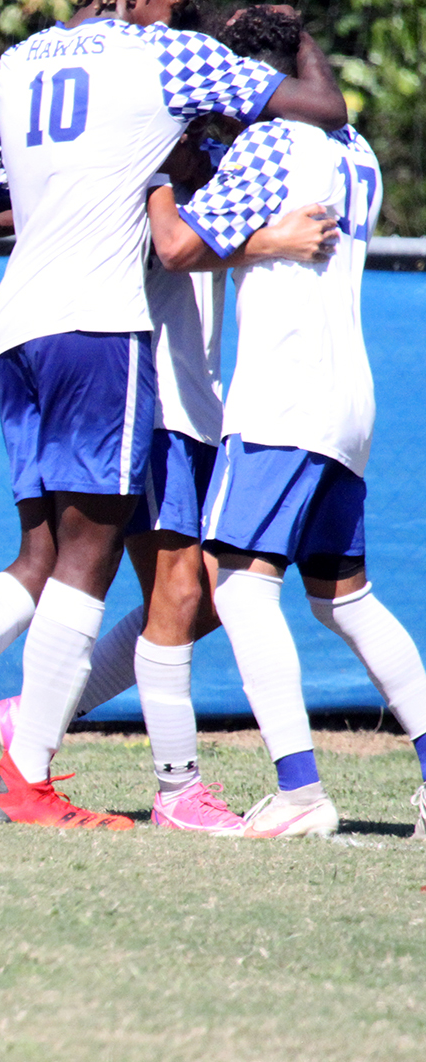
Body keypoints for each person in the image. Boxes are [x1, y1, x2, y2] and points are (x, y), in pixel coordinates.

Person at [0, 0, 347, 828]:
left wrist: (73, 204)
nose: (183, 9)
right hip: (106, 334)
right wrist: (291, 34)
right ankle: (46, 779)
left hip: (18, 327)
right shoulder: (165, 59)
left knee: (48, 555)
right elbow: (322, 112)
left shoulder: (19, 61)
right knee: (110, 564)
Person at [0, 110, 339, 835]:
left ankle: (41, 710)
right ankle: (177, 791)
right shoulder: (140, 156)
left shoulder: (215, 158)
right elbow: (169, 249)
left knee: (209, 596)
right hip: (158, 400)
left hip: (202, 402)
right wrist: (271, 239)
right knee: (178, 589)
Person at [146, 5, 426, 839]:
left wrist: (160, 172)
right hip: (347, 400)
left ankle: (301, 791)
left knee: (239, 584)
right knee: (347, 600)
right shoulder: (360, 151)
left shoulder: (271, 142)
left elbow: (176, 245)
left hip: (282, 390)